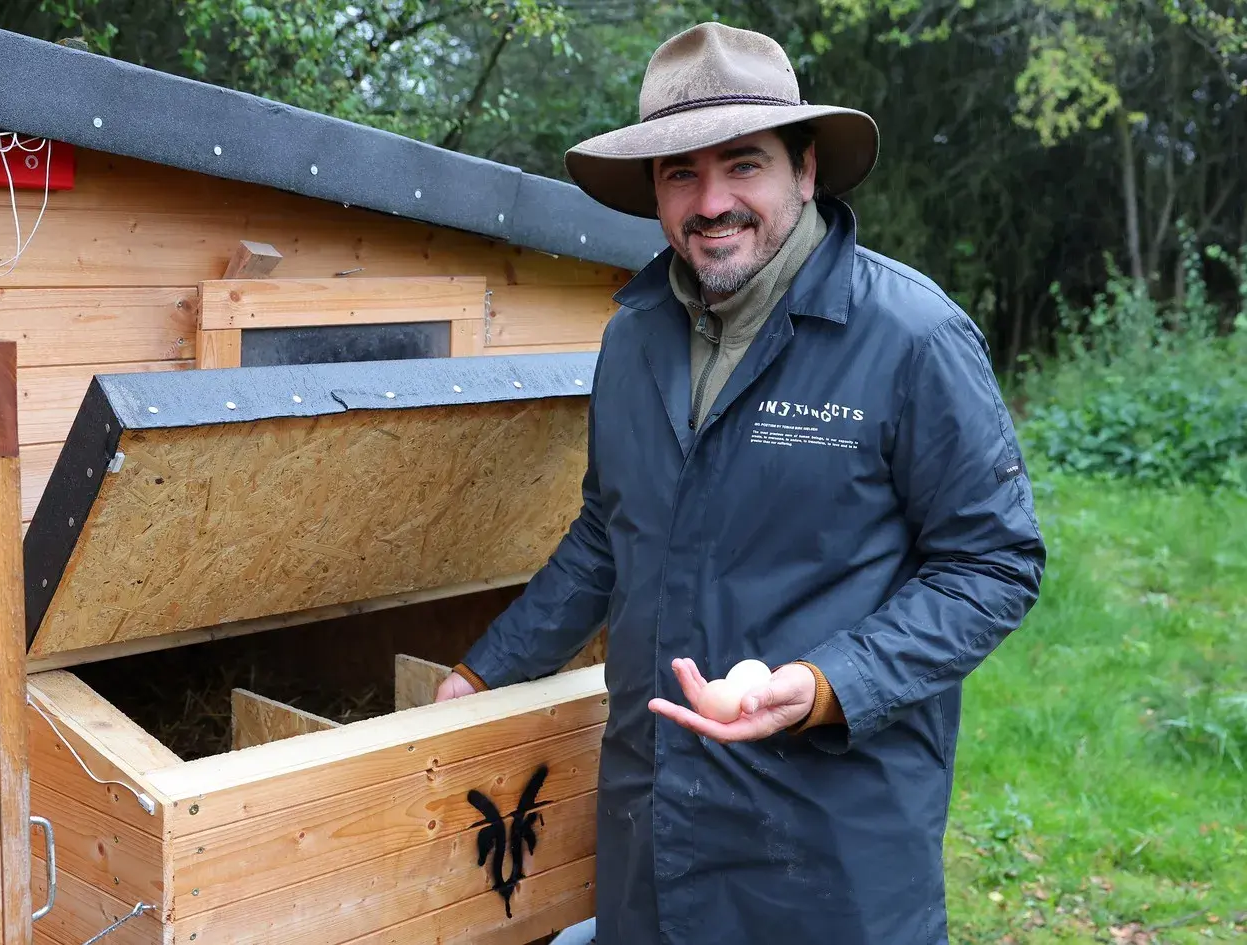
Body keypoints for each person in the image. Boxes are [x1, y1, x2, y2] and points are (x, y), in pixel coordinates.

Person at [435, 20, 1046, 945]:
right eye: (682, 172)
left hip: (830, 848)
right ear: (654, 190)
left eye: (743, 164)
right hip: (654, 830)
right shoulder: (634, 336)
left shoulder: (909, 337)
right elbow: (609, 532)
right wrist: (482, 673)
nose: (712, 200)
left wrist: (821, 682)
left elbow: (993, 564)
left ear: (806, 170)